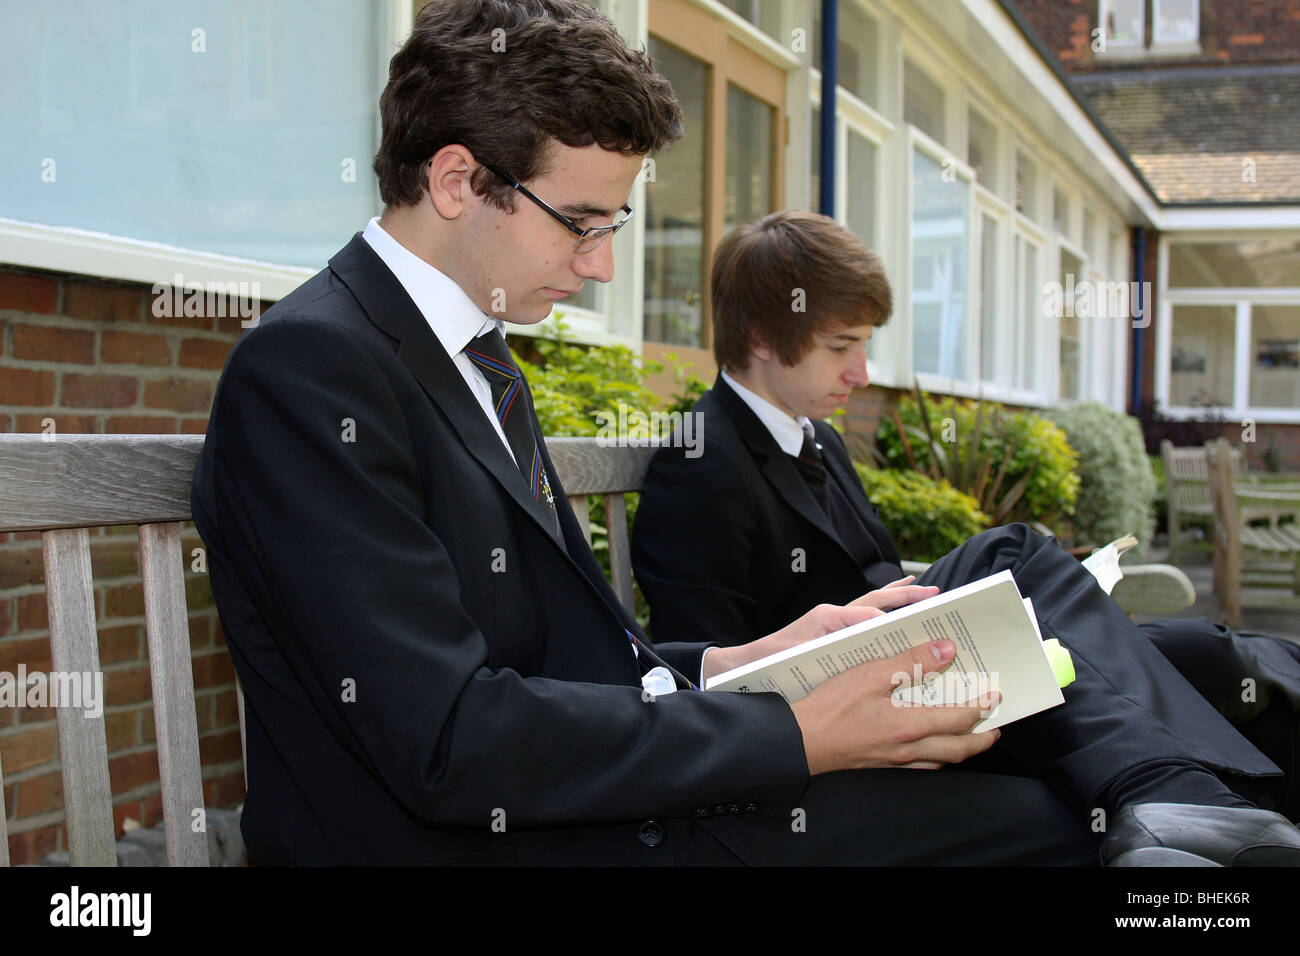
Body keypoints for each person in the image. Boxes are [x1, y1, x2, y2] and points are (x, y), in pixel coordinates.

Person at [191, 0, 1299, 866]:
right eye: (580, 222)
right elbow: (445, 741)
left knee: (1029, 645)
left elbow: (565, 667)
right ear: (454, 179)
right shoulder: (315, 369)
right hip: (480, 838)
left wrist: (747, 658)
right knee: (1045, 815)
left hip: (580, 798)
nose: (602, 265)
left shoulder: (466, 356)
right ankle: (1178, 805)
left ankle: (1176, 800)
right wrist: (804, 732)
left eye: (613, 224)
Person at [631, 209, 1300, 845]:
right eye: (842, 347)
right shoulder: (702, 461)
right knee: (1015, 552)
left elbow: (887, 579)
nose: (861, 374)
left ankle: (1217, 820)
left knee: (1204, 656)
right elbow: (705, 673)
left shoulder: (820, 443)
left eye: (864, 346)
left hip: (936, 664)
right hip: (862, 714)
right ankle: (1184, 801)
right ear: (760, 339)